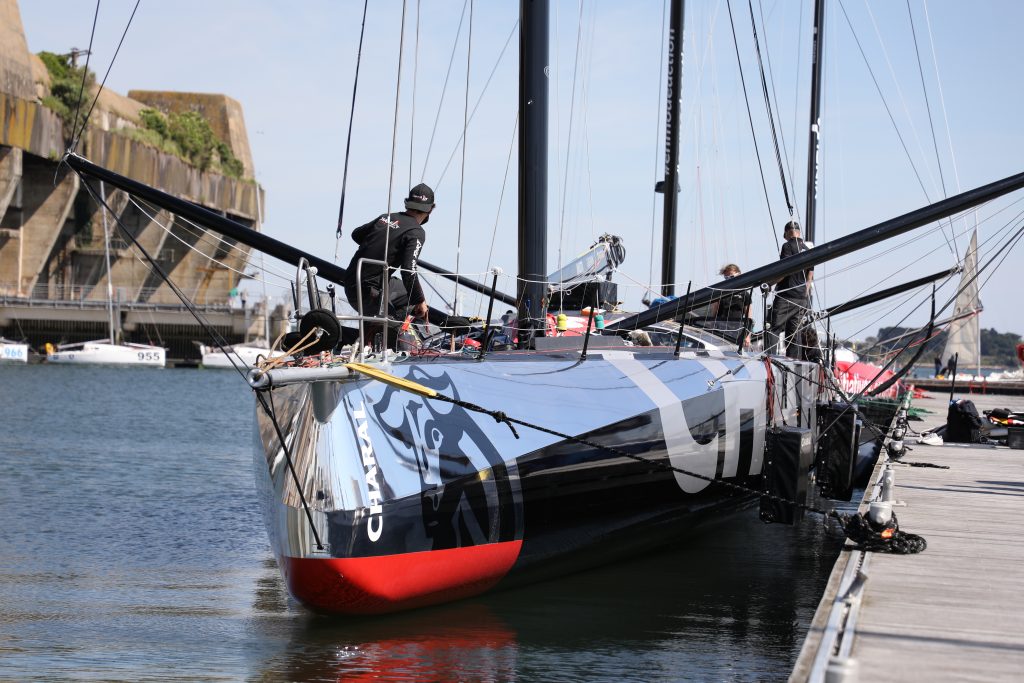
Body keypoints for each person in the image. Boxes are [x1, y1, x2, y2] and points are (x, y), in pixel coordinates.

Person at [344, 184, 435, 348]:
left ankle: (374, 332)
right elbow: (409, 270)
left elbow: (356, 234)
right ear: (431, 209)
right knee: (394, 324)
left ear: (407, 203)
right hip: (367, 291)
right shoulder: (416, 232)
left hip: (355, 280)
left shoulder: (386, 217)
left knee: (409, 298)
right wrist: (420, 301)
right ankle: (359, 340)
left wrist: (376, 247)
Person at [768, 221, 813, 358]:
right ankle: (794, 363)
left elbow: (785, 271)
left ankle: (769, 360)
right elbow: (810, 275)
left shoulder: (787, 246)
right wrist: (804, 293)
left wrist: (770, 283)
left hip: (786, 296)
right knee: (794, 333)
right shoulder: (807, 249)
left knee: (774, 328)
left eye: (785, 235)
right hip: (801, 299)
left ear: (788, 232)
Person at [710, 263, 752, 347]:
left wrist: (748, 335)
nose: (729, 279)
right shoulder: (720, 292)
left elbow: (749, 316)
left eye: (732, 277)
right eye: (726, 278)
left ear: (739, 274)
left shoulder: (745, 294)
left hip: (737, 331)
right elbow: (713, 314)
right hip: (721, 330)